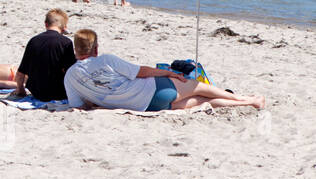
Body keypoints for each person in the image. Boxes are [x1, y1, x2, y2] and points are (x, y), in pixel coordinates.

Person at [65, 29, 264, 111]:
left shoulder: (70, 76)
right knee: (200, 87)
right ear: (96, 48)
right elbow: (141, 71)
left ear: (76, 50)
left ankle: (245, 103)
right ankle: (247, 100)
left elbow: (78, 106)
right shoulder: (107, 59)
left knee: (203, 102)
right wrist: (168, 73)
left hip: (147, 107)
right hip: (155, 89)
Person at [12, 8, 74, 102]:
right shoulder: (66, 42)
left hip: (36, 91)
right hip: (59, 92)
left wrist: (21, 90)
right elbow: (70, 71)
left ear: (46, 24)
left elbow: (21, 73)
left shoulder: (34, 40)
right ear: (64, 27)